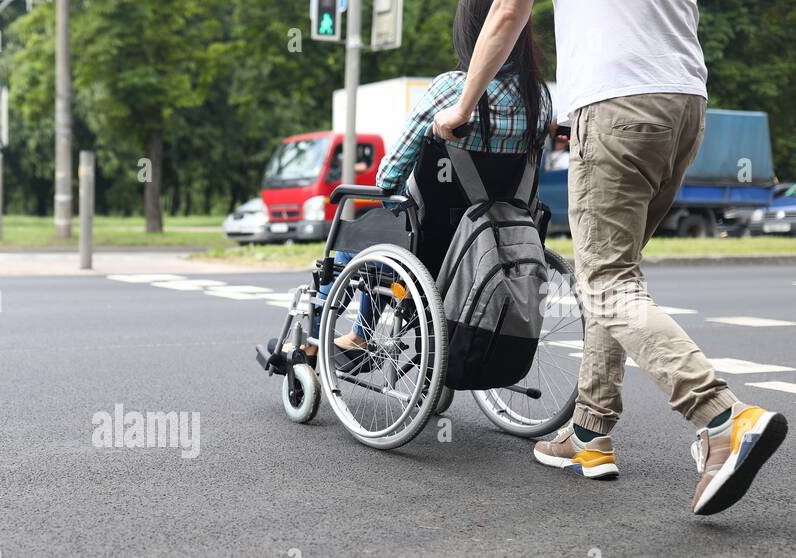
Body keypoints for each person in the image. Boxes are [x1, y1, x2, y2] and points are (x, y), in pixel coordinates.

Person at [433, 0, 787, 515]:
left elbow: (507, 11)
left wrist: (463, 106)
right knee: (612, 274)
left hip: (617, 104)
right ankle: (588, 432)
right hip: (684, 104)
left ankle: (723, 418)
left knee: (606, 280)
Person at [288, 0, 552, 361]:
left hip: (433, 245)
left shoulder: (450, 91)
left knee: (369, 236)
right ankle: (356, 335)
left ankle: (315, 341)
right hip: (503, 240)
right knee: (390, 238)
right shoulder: (539, 98)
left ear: (470, 30)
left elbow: (389, 174)